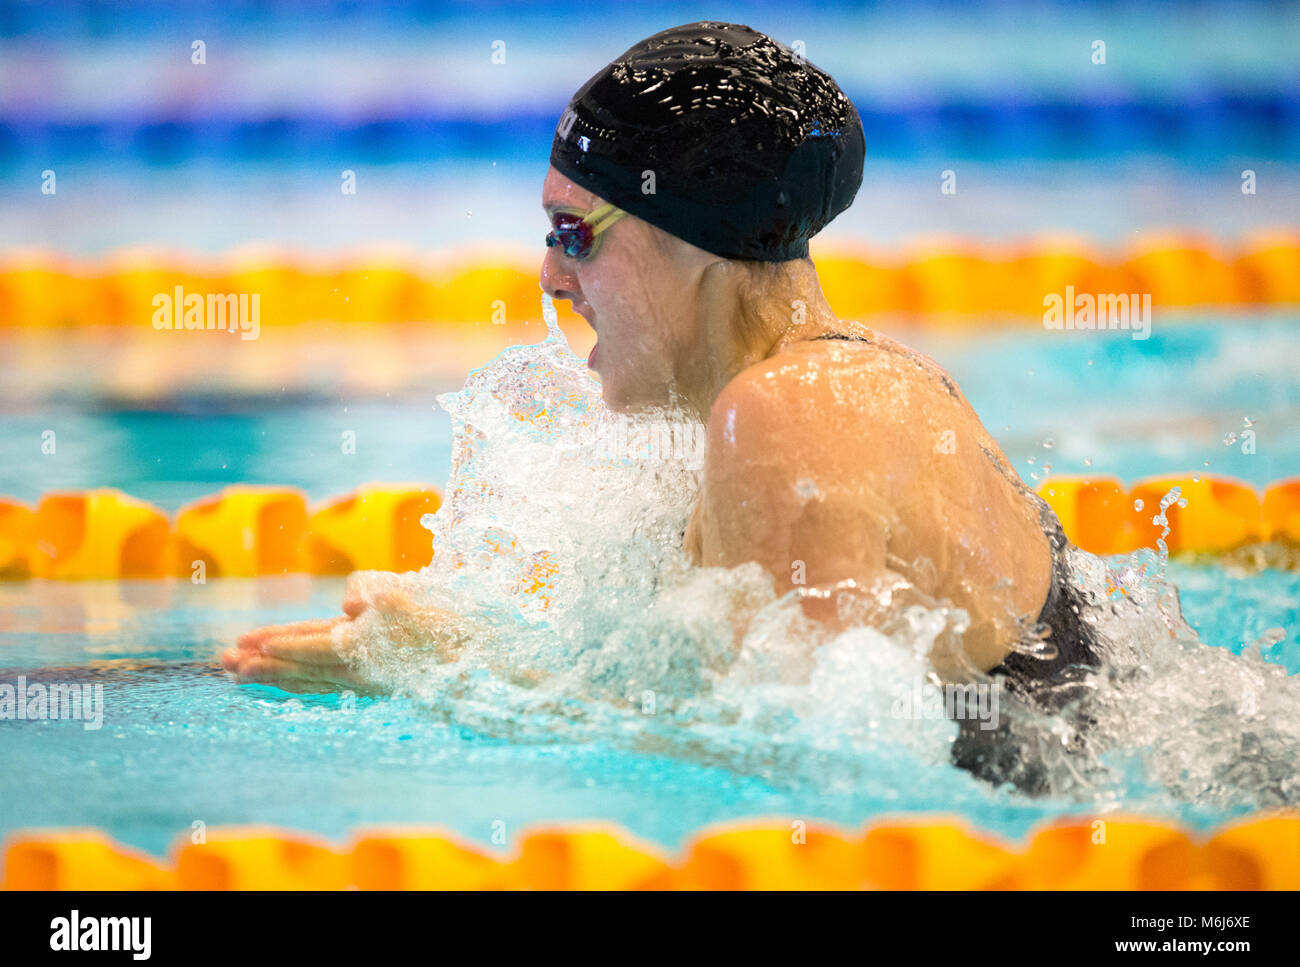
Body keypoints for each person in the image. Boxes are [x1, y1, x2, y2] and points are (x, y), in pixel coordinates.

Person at [222, 22, 1100, 789]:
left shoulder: (787, 412)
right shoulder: (840, 377)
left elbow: (801, 759)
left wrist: (448, 678)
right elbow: (731, 698)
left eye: (576, 236)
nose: (551, 277)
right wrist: (485, 649)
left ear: (694, 240)